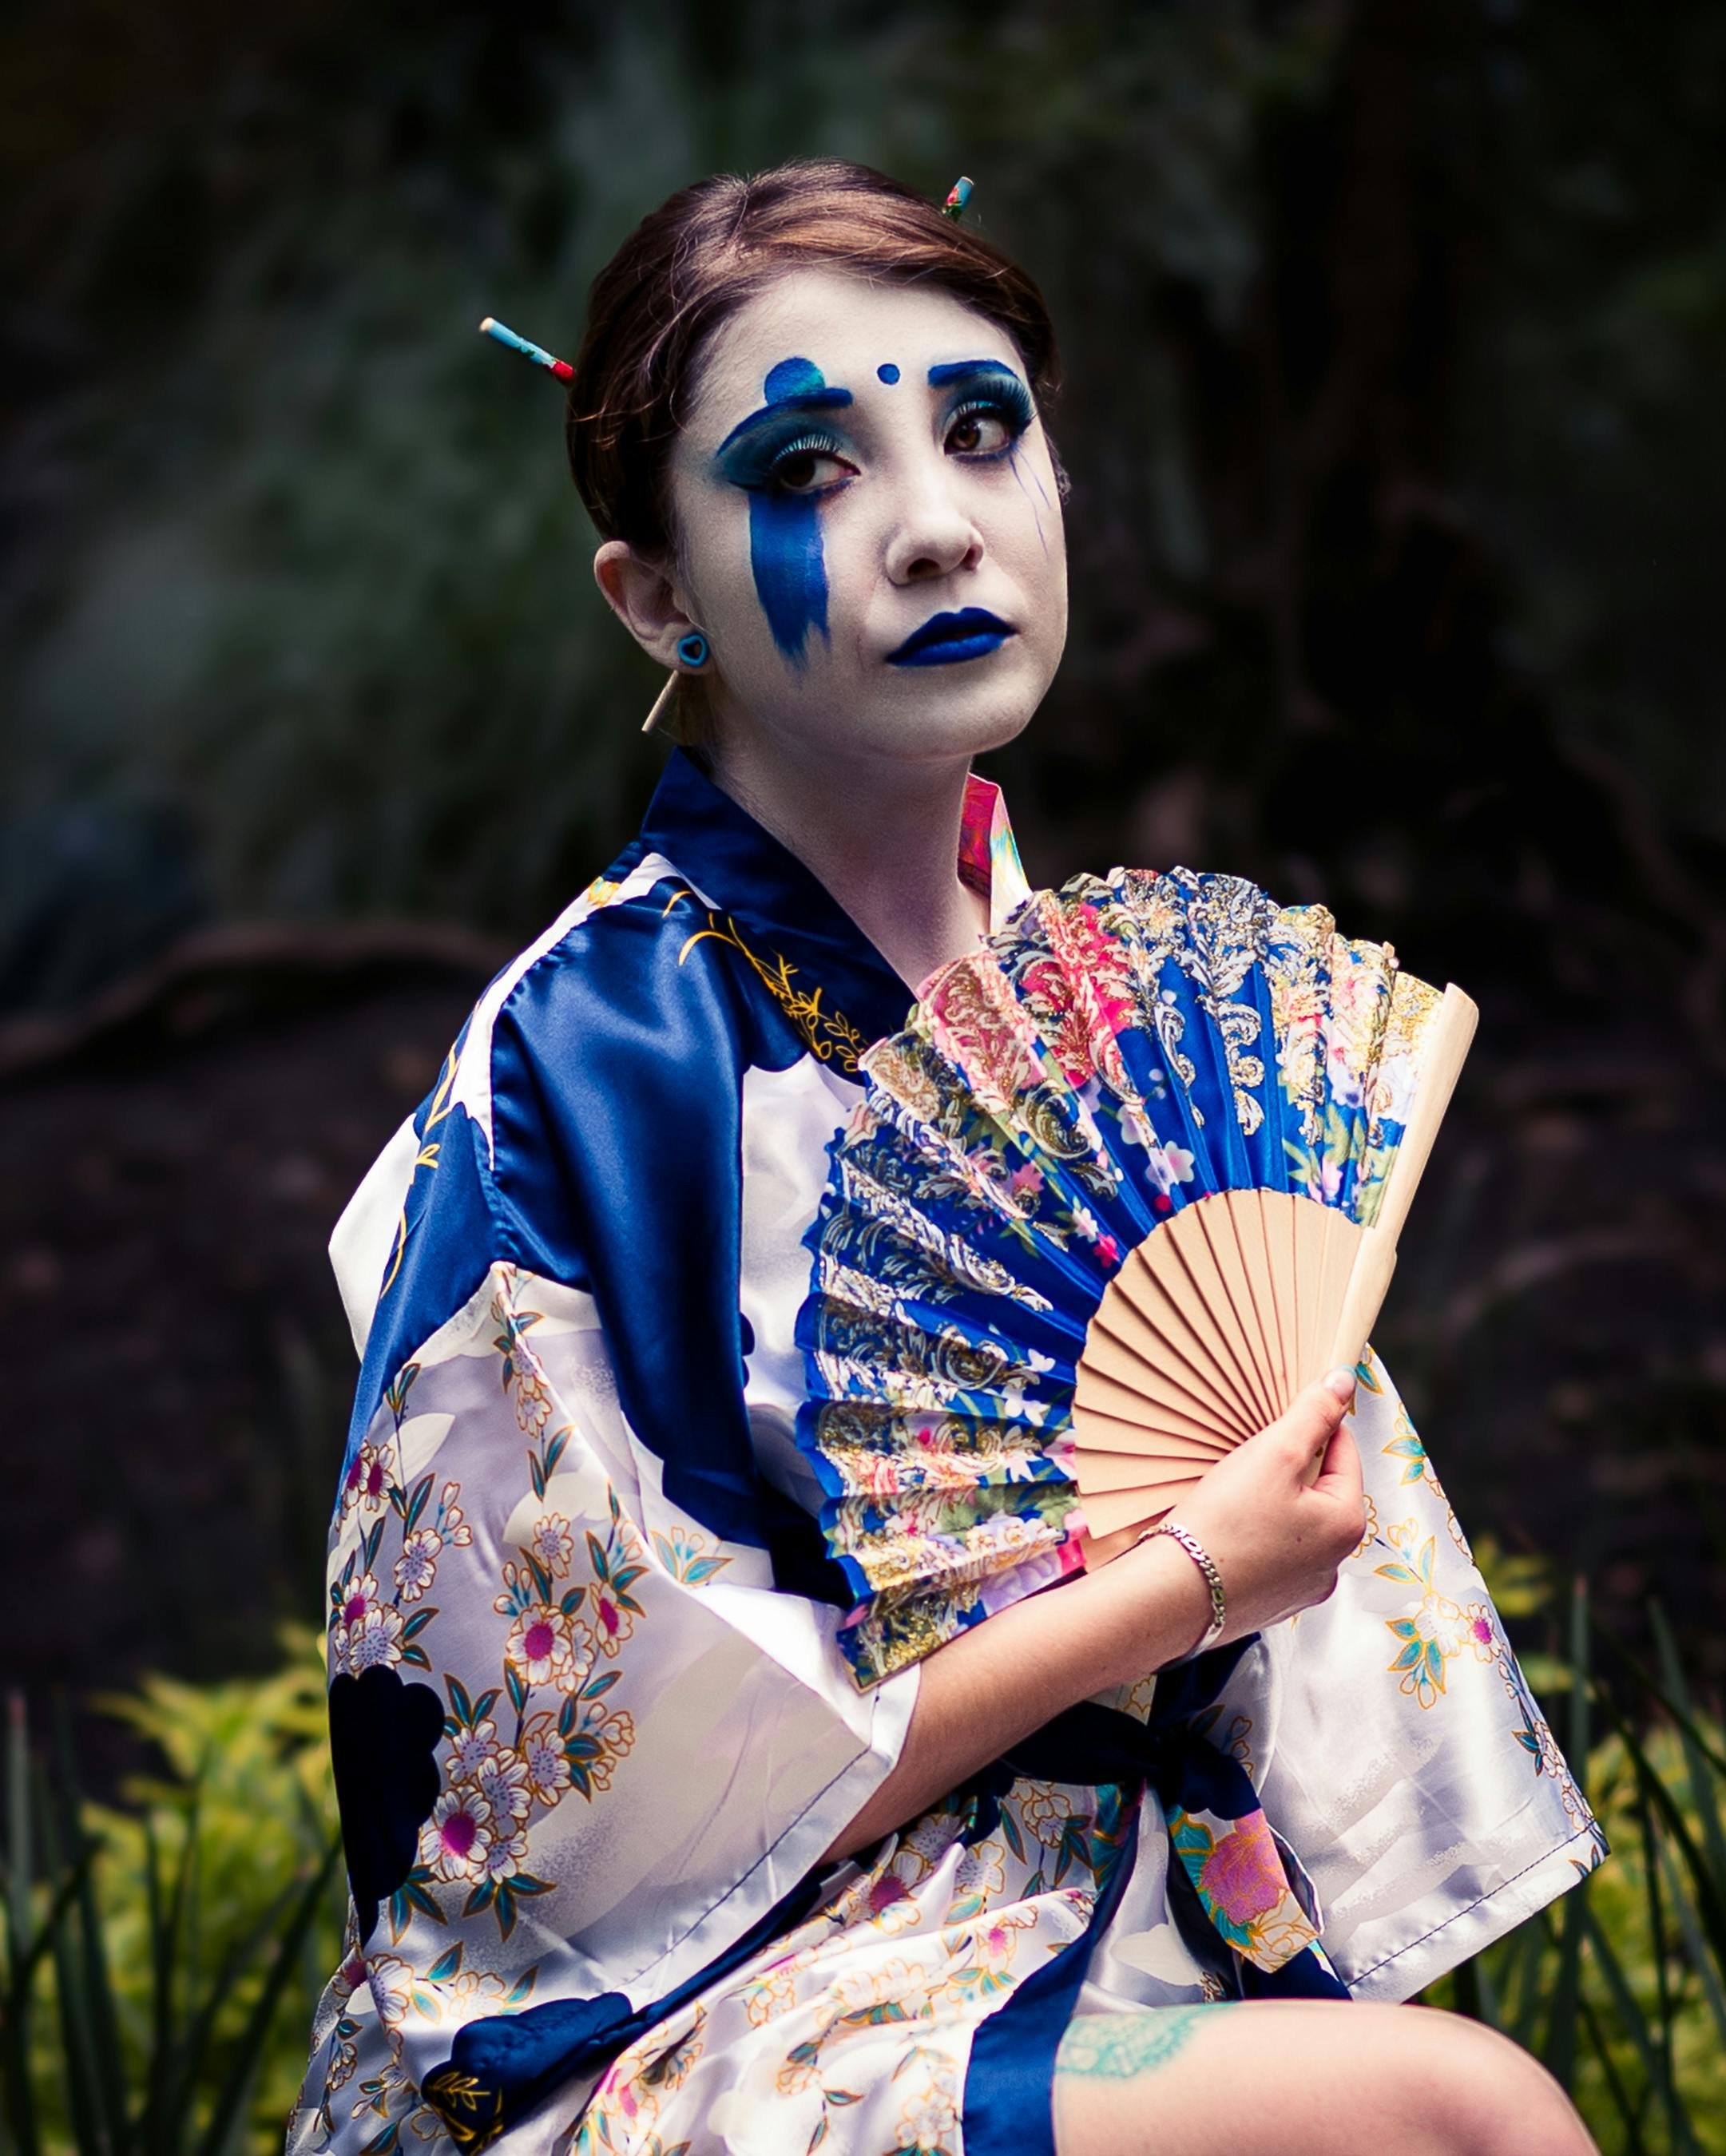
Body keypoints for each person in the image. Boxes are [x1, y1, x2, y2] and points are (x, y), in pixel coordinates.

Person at [288, 160, 1607, 2156]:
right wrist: (1178, 1582)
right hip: (698, 2011)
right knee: (1455, 2120)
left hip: (1092, 1902)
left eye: (981, 430)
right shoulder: (588, 1065)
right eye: (806, 467)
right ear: (654, 595)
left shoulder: (1084, 997)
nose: (930, 525)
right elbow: (567, 1812)